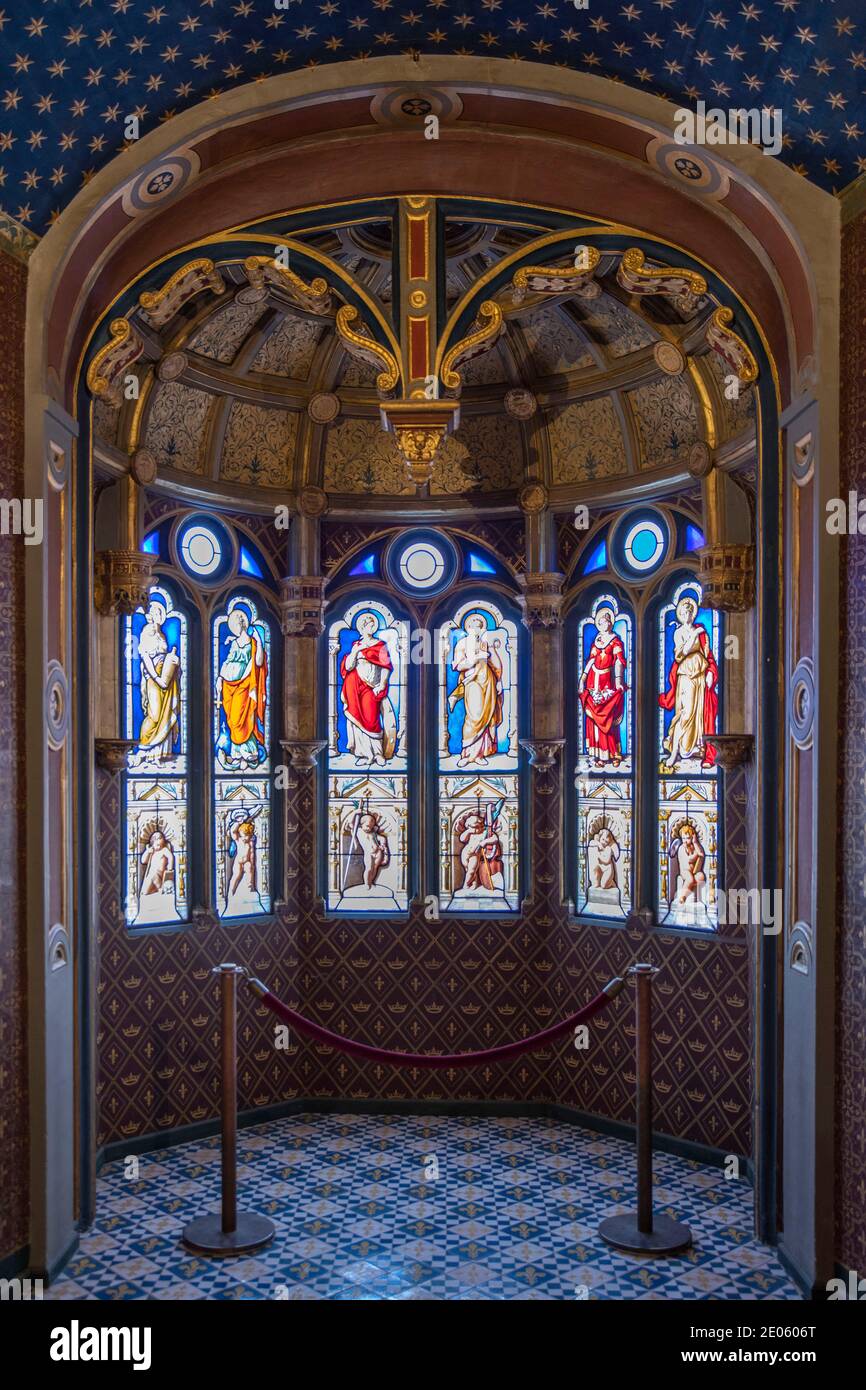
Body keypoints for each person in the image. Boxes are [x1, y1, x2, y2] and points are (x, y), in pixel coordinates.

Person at [659, 598, 718, 770]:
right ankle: (674, 752)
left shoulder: (702, 633)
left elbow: (708, 656)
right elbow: (683, 652)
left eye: (690, 612)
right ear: (680, 615)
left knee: (699, 714)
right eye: (684, 613)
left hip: (700, 674)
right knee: (684, 714)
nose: (688, 615)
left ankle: (696, 749)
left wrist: (710, 673)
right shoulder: (680, 633)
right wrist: (693, 634)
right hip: (686, 675)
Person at [216, 607, 268, 771]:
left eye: (240, 621)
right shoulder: (234, 644)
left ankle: (249, 752)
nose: (238, 625)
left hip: (246, 685)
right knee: (233, 719)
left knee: (242, 718)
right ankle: (237, 753)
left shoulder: (252, 642)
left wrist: (259, 642)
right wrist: (219, 678)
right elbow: (228, 661)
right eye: (235, 623)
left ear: (244, 623)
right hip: (230, 685)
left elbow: (258, 662)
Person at [340, 612, 395, 766]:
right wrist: (356, 651)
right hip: (354, 685)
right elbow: (349, 666)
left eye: (372, 625)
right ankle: (365, 755)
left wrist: (382, 683)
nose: (370, 628)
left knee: (372, 719)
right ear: (362, 627)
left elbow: (386, 667)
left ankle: (378, 753)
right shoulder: (355, 645)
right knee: (356, 716)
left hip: (372, 687)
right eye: (368, 625)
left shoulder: (380, 645)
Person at [450, 614, 503, 767]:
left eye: (479, 627)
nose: (476, 630)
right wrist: (475, 658)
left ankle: (480, 753)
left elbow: (495, 664)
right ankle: (467, 753)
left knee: (487, 717)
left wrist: (499, 681)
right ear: (467, 628)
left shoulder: (486, 644)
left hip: (488, 682)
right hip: (472, 683)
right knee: (474, 717)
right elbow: (458, 666)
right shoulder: (462, 644)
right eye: (473, 627)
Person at [133, 598, 180, 766]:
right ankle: (144, 748)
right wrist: (156, 678)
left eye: (160, 612)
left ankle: (159, 753)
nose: (158, 615)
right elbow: (145, 657)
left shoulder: (161, 633)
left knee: (165, 714)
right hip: (154, 677)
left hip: (165, 676)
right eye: (155, 612)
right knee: (154, 714)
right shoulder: (147, 631)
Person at [579, 606, 626, 768]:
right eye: (599, 622)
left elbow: (619, 661)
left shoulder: (615, 641)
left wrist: (619, 680)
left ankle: (614, 753)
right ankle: (597, 754)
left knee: (608, 717)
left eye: (605, 621)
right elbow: (591, 661)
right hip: (594, 681)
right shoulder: (597, 640)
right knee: (594, 718)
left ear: (610, 623)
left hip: (608, 681)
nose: (602, 624)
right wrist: (582, 679)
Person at [228, 818, 258, 901]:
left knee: (249, 870)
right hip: (238, 861)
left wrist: (252, 865)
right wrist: (238, 823)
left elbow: (252, 854)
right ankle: (231, 893)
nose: (244, 837)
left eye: (246, 835)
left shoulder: (250, 843)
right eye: (242, 835)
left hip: (247, 862)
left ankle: (250, 889)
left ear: (250, 835)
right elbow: (233, 832)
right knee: (236, 876)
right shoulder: (238, 840)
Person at [139, 829, 175, 898]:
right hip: (151, 874)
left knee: (152, 876)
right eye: (156, 840)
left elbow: (170, 857)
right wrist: (147, 852)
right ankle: (155, 890)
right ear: (152, 843)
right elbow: (143, 861)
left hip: (160, 874)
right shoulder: (152, 852)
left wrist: (170, 868)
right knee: (145, 892)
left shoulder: (164, 850)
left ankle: (160, 889)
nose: (158, 842)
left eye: (160, 839)